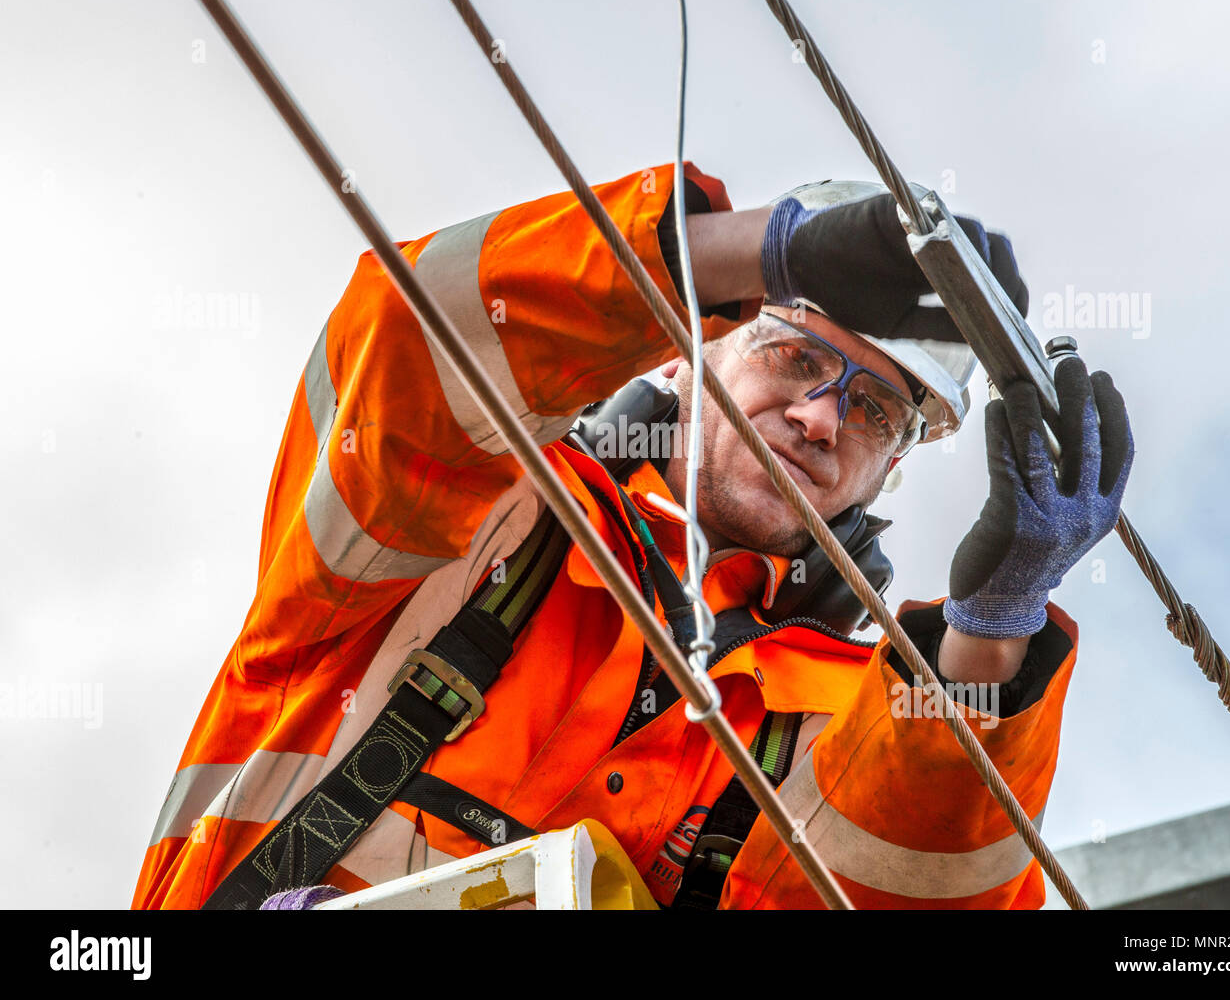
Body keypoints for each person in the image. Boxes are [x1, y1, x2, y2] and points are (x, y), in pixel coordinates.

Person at [132, 163, 1132, 910]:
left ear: (894, 463)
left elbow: (914, 891)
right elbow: (406, 341)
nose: (822, 419)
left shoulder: (843, 722)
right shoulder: (485, 507)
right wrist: (737, 251)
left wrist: (991, 634)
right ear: (695, 345)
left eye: (875, 411)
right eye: (791, 357)